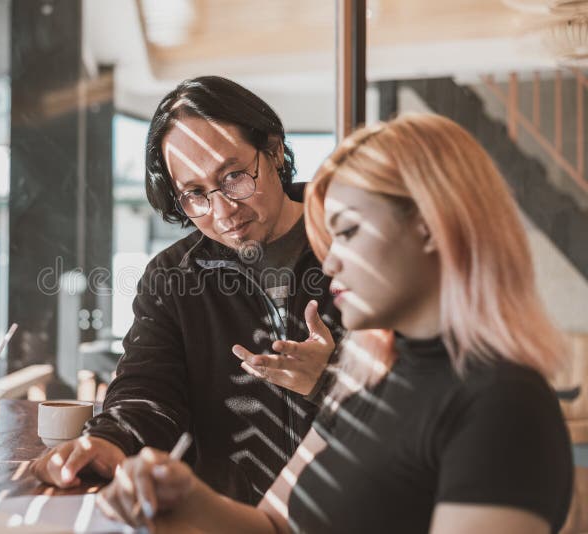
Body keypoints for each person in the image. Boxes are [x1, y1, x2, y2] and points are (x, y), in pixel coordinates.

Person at [97, 113, 574, 534]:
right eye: (196, 194)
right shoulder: (369, 377)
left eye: (345, 232)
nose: (328, 263)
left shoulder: (503, 405)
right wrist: (186, 496)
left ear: (429, 222)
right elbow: (272, 526)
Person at [32, 76, 342, 504]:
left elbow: (430, 390)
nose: (223, 211)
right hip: (227, 523)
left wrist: (331, 381)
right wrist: (110, 440)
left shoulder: (353, 242)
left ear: (272, 150)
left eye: (233, 176)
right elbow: (148, 388)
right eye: (195, 194)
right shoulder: (172, 277)